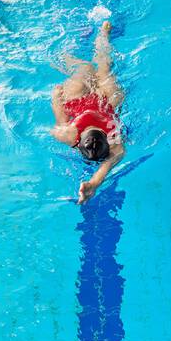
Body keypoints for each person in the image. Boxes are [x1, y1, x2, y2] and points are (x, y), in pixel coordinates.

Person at [51, 20, 125, 203]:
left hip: (93, 100)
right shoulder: (70, 135)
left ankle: (93, 36)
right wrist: (92, 184)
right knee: (93, 68)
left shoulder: (69, 134)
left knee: (91, 68)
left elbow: (59, 114)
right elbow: (105, 168)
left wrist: (56, 97)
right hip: (100, 101)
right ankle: (94, 36)